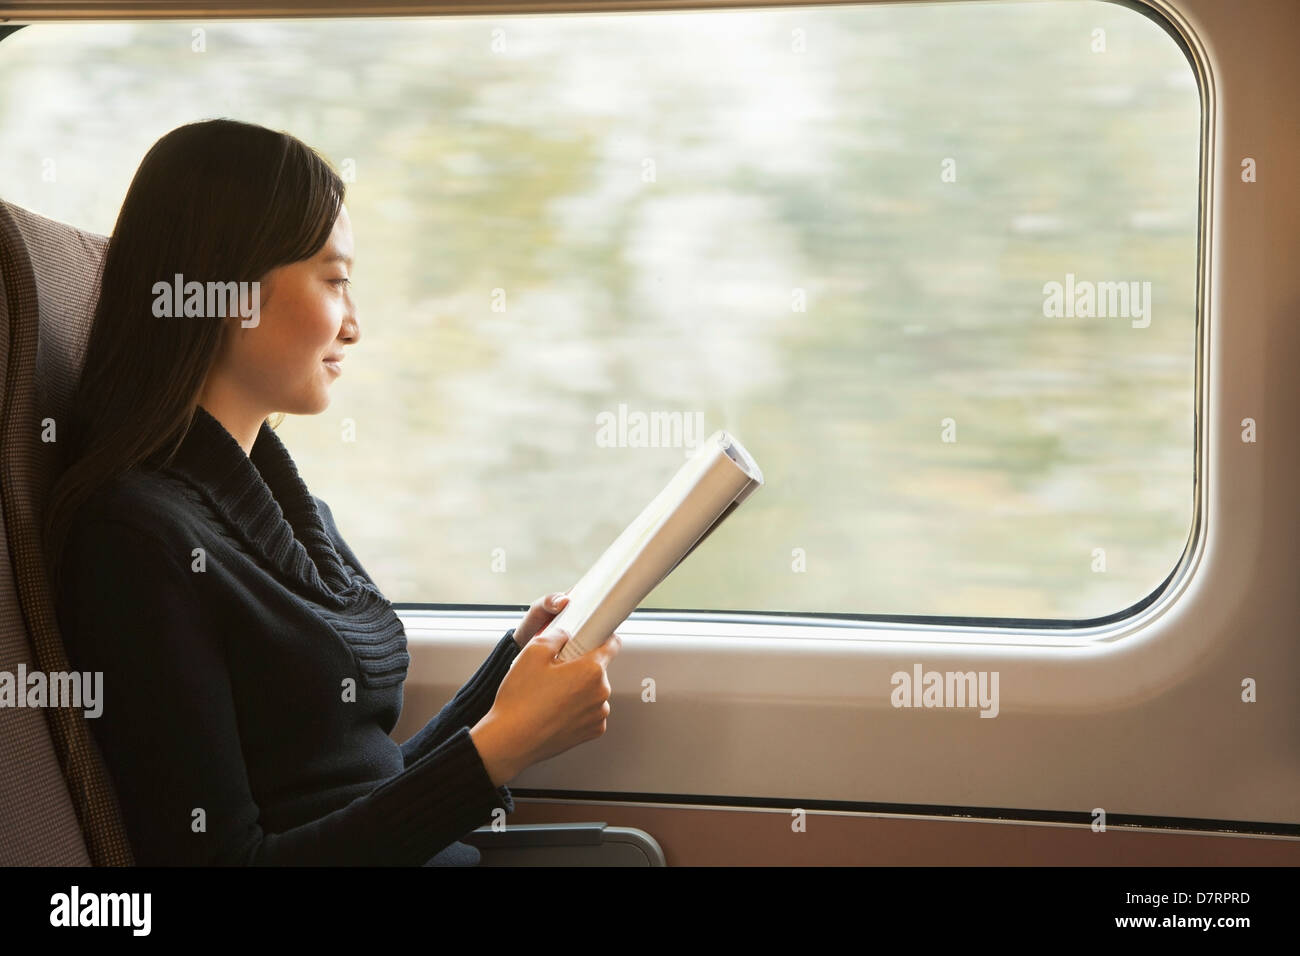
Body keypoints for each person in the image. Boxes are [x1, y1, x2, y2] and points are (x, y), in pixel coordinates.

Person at [44, 118, 621, 866]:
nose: (354, 325)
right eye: (336, 280)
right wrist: (497, 753)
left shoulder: (298, 515)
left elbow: (359, 797)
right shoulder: (138, 542)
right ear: (229, 288)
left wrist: (503, 686)